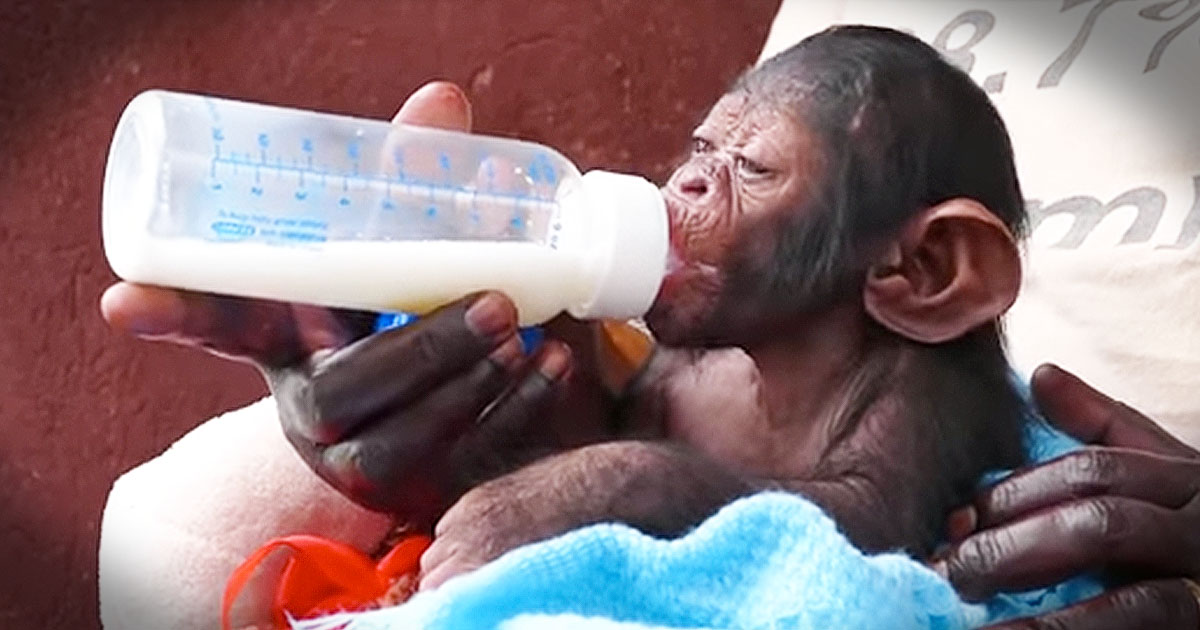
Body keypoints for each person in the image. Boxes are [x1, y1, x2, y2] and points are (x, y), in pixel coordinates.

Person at [102, 40, 1200, 629]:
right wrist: (492, 391)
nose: (682, 184)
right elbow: (571, 443)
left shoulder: (911, 389)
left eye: (749, 170)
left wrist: (626, 483)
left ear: (917, 272)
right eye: (696, 152)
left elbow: (868, 529)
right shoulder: (686, 348)